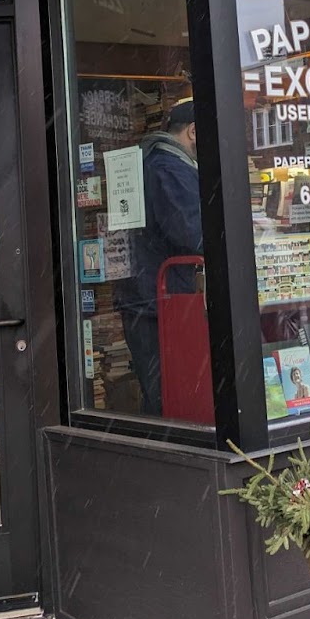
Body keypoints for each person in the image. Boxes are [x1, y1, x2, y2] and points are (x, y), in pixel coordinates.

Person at [119, 97, 201, 416]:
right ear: (192, 132)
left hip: (146, 296)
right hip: (163, 299)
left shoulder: (149, 162)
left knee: (160, 392)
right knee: (172, 395)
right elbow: (191, 232)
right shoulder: (170, 168)